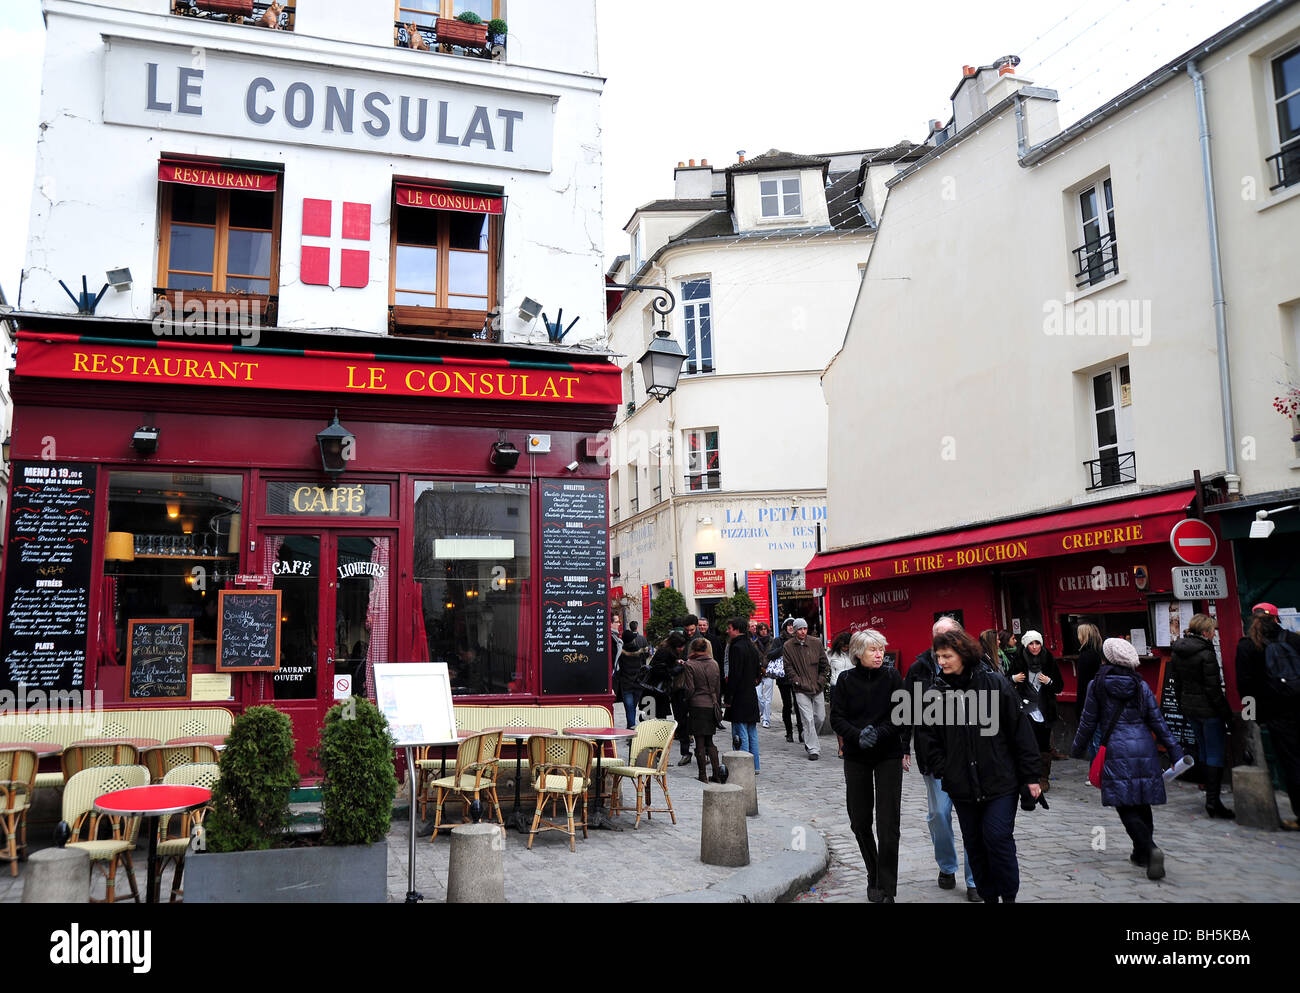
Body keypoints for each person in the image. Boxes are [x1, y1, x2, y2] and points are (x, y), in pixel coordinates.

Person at [916, 628, 1041, 903]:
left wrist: (1031, 776)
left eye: (947, 655)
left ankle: (1008, 896)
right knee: (975, 844)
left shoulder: (995, 684)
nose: (942, 661)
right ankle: (988, 896)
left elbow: (1019, 731)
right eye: (938, 656)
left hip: (1000, 781)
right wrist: (945, 768)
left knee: (997, 837)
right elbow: (927, 737)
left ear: (963, 654)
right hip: (962, 785)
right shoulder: (936, 693)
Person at [1071, 637, 1183, 879]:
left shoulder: (1098, 685)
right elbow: (1158, 721)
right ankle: (1141, 853)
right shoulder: (1140, 686)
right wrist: (1175, 751)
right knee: (1141, 801)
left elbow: (1088, 721)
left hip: (1116, 749)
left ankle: (1151, 849)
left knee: (1124, 804)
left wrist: (1077, 748)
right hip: (1144, 747)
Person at [900, 616, 978, 900]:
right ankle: (947, 865)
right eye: (937, 636)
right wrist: (904, 748)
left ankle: (974, 879)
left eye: (948, 636)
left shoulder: (977, 669)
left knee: (972, 818)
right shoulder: (919, 667)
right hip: (934, 754)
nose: (942, 643)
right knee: (939, 815)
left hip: (971, 757)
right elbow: (907, 708)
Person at [831, 629, 905, 903]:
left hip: (888, 753)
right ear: (858, 653)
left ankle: (886, 886)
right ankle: (873, 870)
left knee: (888, 823)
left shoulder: (892, 677)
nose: (879, 654)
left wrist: (878, 732)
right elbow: (837, 717)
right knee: (859, 819)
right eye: (873, 650)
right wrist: (856, 735)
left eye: (881, 650)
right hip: (856, 754)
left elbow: (901, 714)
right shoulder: (845, 680)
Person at [1235, 603, 1300, 830]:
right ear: (1276, 618)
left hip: (1275, 713)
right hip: (1296, 705)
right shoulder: (1292, 639)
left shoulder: (1248, 646)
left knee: (1291, 763)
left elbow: (1244, 685)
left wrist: (1252, 716)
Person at [1171, 614, 1233, 819]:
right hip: (1209, 711)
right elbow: (1213, 688)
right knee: (1214, 753)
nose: (1214, 633)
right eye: (1213, 630)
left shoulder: (1178, 651)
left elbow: (1177, 684)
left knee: (1205, 751)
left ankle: (1210, 795)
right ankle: (1213, 802)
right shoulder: (1206, 654)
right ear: (1206, 632)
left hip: (1191, 709)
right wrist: (1226, 714)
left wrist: (1182, 706)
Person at [1010, 630, 1064, 792]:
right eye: (1031, 644)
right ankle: (1028, 777)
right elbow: (1006, 681)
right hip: (1025, 709)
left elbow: (1059, 686)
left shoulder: (1048, 660)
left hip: (1044, 709)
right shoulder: (1018, 660)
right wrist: (1013, 679)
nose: (1034, 647)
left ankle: (1043, 778)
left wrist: (1049, 681)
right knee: (1027, 744)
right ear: (1026, 645)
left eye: (1037, 643)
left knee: (1044, 745)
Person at [782, 618, 831, 760]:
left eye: (805, 628)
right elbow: (788, 667)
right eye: (800, 629)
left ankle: (806, 735)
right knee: (808, 719)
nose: (803, 631)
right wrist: (796, 681)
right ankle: (813, 749)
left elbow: (824, 665)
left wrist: (821, 680)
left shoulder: (815, 643)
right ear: (795, 630)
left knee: (820, 717)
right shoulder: (788, 646)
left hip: (817, 686)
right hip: (800, 687)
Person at [683, 638, 724, 783]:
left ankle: (702, 774)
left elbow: (690, 688)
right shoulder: (714, 664)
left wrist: (685, 700)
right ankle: (717, 773)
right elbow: (718, 687)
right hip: (711, 704)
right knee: (710, 741)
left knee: (700, 741)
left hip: (697, 704)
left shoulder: (690, 664)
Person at [724, 617, 762, 774]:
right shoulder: (751, 646)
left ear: (736, 629)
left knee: (741, 731)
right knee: (752, 731)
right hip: (750, 693)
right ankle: (756, 765)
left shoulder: (736, 647)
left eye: (730, 628)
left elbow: (734, 674)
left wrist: (728, 696)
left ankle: (744, 765)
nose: (728, 631)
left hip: (739, 694)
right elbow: (757, 671)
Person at [769, 619, 804, 743]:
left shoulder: (799, 639)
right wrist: (784, 648)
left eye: (792, 625)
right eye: (788, 625)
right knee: (787, 705)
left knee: (799, 705)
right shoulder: (779, 640)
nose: (790, 627)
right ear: (785, 627)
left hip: (797, 676)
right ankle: (789, 732)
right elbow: (771, 655)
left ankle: (801, 732)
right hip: (784, 678)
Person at [1075, 623, 1104, 758]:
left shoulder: (1085, 656)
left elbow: (1083, 684)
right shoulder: (1099, 653)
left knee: (1095, 739)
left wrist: (1080, 705)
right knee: (1097, 738)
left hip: (1090, 701)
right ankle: (1096, 773)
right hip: (1101, 700)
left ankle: (1098, 774)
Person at [645, 631, 686, 725]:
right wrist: (676, 669)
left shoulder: (667, 651)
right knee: (657, 718)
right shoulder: (665, 652)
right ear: (674, 645)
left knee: (657, 717)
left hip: (657, 689)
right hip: (656, 689)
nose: (682, 648)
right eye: (680, 646)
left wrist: (676, 662)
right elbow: (659, 671)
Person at [827, 631, 854, 757]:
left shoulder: (855, 655)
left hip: (852, 688)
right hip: (836, 687)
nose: (845, 648)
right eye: (843, 645)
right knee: (839, 717)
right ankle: (841, 747)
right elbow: (823, 668)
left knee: (852, 717)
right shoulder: (830, 654)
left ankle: (851, 745)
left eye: (847, 646)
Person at [754, 621, 775, 728]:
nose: (763, 631)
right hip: (758, 673)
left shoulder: (773, 642)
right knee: (758, 696)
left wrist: (769, 668)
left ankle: (766, 719)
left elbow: (776, 656)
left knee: (768, 698)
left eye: (765, 629)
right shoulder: (755, 643)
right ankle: (764, 711)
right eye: (761, 629)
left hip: (769, 672)